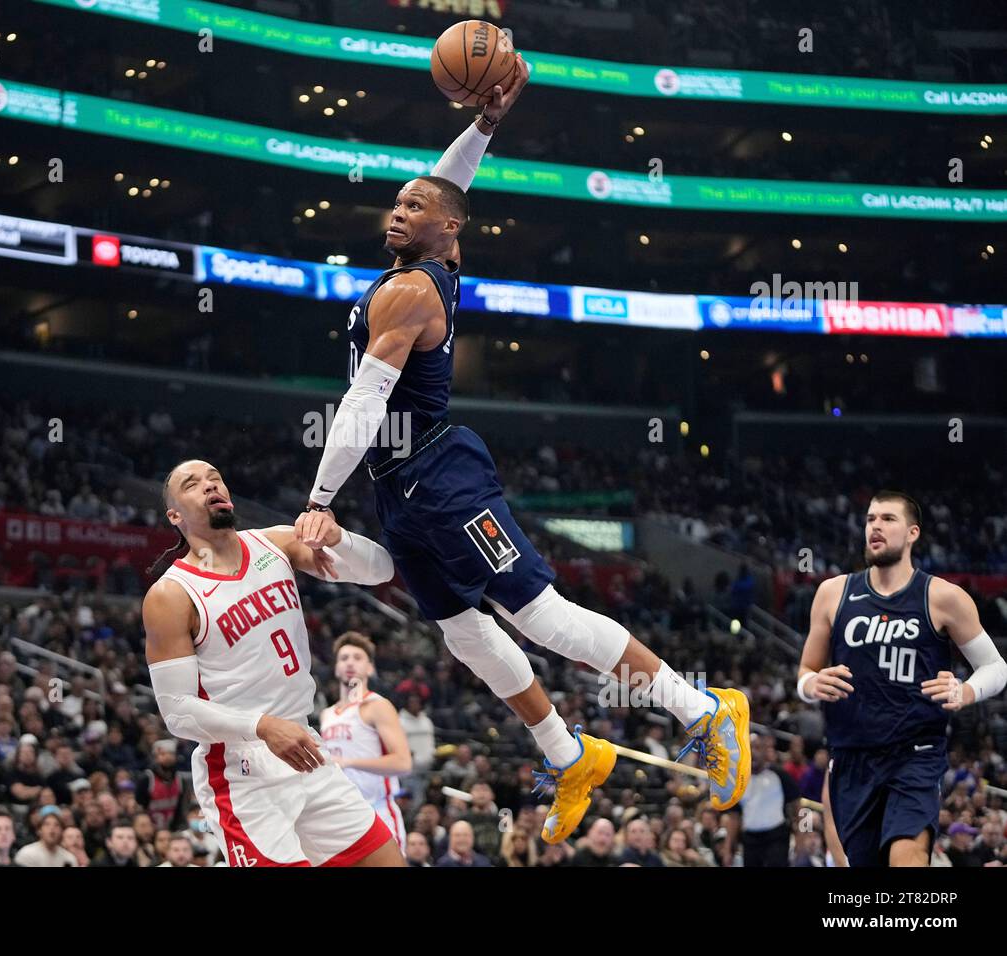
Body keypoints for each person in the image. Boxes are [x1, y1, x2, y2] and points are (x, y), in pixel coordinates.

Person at [294, 57, 749, 845]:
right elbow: (448, 186)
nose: (397, 211)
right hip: (399, 488)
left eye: (413, 205)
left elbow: (365, 402)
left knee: (539, 616)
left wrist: (319, 501)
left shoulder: (412, 290)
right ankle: (566, 752)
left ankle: (703, 709)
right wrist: (484, 124)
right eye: (396, 202)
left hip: (438, 470)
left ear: (451, 229)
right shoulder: (419, 259)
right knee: (463, 633)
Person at [143, 460, 403, 867]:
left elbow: (382, 570)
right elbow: (176, 713)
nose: (210, 486)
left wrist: (341, 539)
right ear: (174, 516)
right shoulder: (172, 595)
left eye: (216, 477)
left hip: (305, 745)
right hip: (241, 768)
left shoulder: (276, 543)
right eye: (193, 485)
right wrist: (261, 726)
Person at [798, 490, 1007, 866]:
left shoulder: (943, 596)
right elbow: (805, 672)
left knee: (907, 858)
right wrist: (810, 685)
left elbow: (996, 668)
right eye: (870, 519)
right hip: (851, 758)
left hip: (914, 755)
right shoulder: (832, 593)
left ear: (913, 533)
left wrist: (965, 690)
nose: (875, 526)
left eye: (887, 519)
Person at [319, 631, 413, 855]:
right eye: (344, 658)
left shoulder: (377, 706)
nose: (350, 662)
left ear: (370, 668)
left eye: (357, 657)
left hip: (377, 810)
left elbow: (403, 763)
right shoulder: (327, 715)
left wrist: (349, 762)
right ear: (336, 668)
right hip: (340, 815)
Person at [739, 734, 799, 867]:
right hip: (750, 840)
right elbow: (734, 816)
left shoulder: (779, 775)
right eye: (749, 748)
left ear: (765, 751)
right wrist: (728, 848)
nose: (753, 752)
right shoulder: (739, 780)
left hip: (776, 837)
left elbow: (800, 806)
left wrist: (803, 835)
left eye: (757, 748)